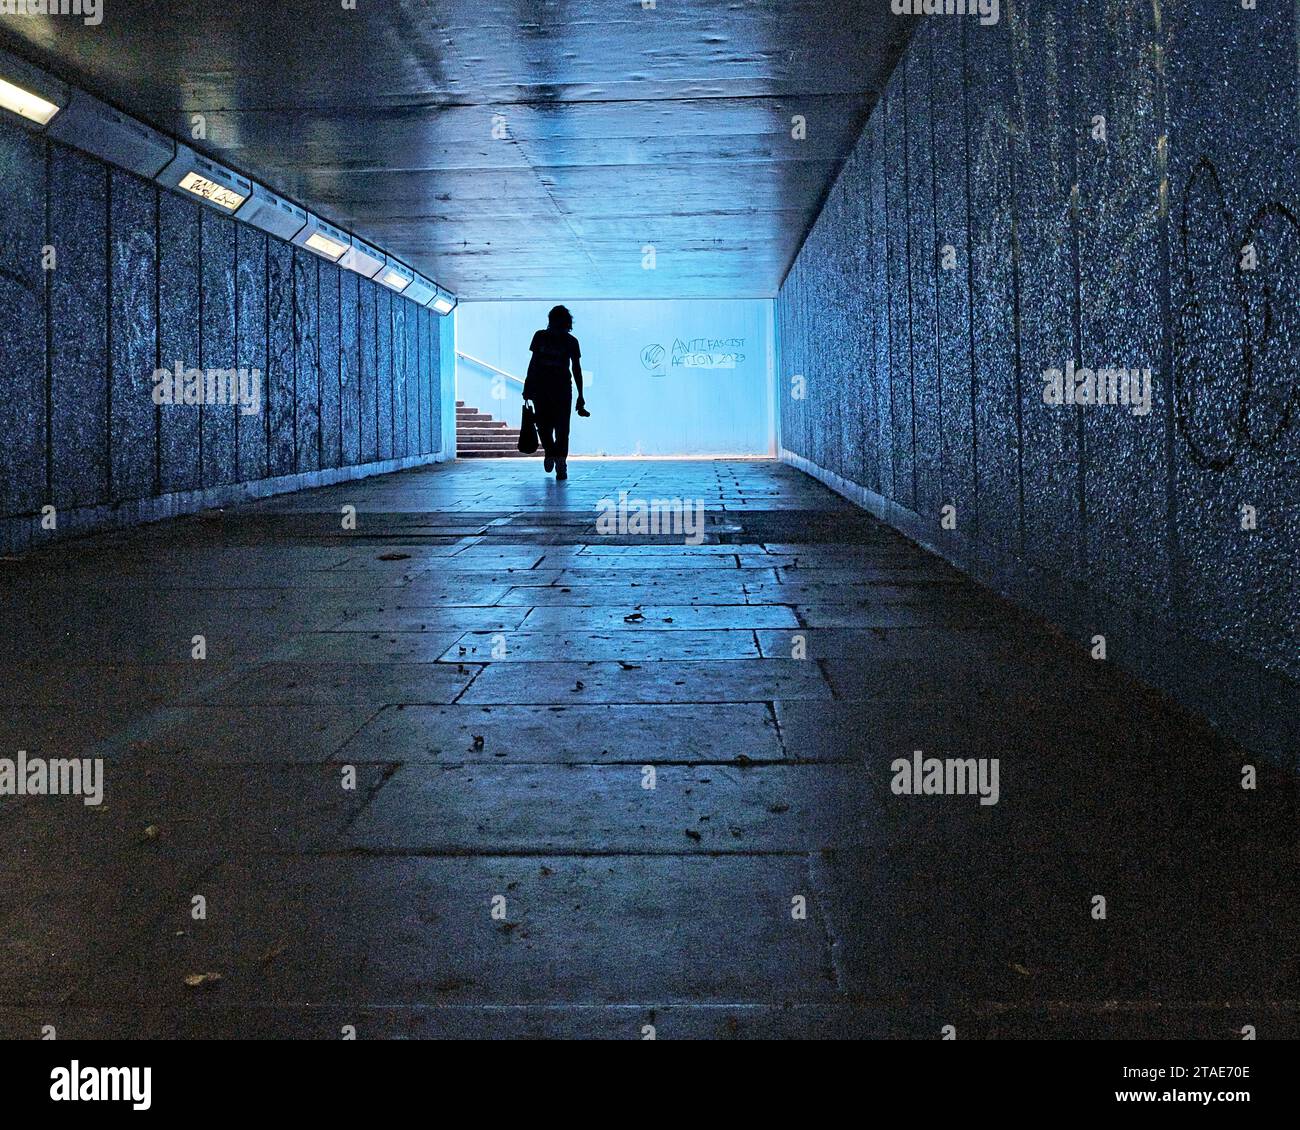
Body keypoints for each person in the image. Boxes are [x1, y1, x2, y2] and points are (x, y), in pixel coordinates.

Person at [523, 305, 588, 480]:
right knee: (560, 428)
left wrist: (528, 386)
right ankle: (557, 458)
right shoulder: (567, 340)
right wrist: (581, 395)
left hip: (544, 389)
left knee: (546, 426)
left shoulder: (544, 337)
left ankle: (555, 456)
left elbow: (534, 363)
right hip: (559, 390)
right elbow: (576, 370)